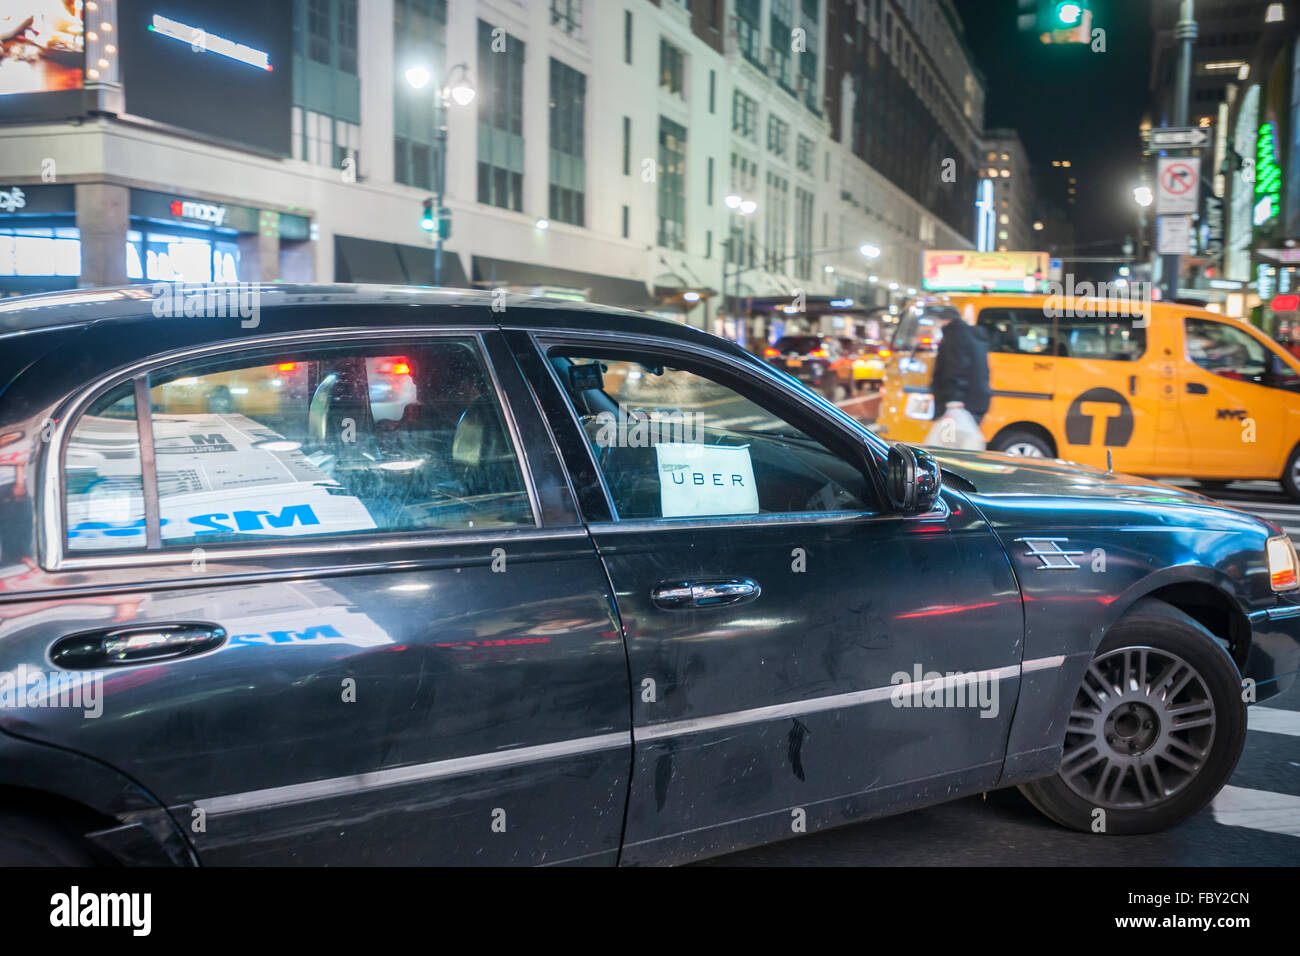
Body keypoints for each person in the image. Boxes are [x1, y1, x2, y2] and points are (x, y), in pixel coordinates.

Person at [929, 306, 991, 424]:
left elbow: (955, 368)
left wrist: (954, 399)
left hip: (960, 404)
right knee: (961, 438)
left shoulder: (954, 335)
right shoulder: (973, 335)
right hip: (977, 401)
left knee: (949, 439)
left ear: (946, 320)